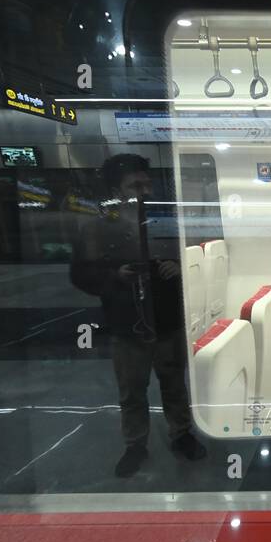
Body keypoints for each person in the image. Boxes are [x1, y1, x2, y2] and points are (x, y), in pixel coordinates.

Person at [70, 153, 205, 477]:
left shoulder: (167, 223)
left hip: (167, 318)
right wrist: (116, 275)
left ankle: (181, 433)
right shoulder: (98, 229)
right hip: (126, 323)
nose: (144, 190)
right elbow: (80, 274)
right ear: (117, 189)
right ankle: (135, 444)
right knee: (131, 390)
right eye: (135, 184)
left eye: (147, 183)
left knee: (174, 383)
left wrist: (181, 268)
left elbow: (199, 258)